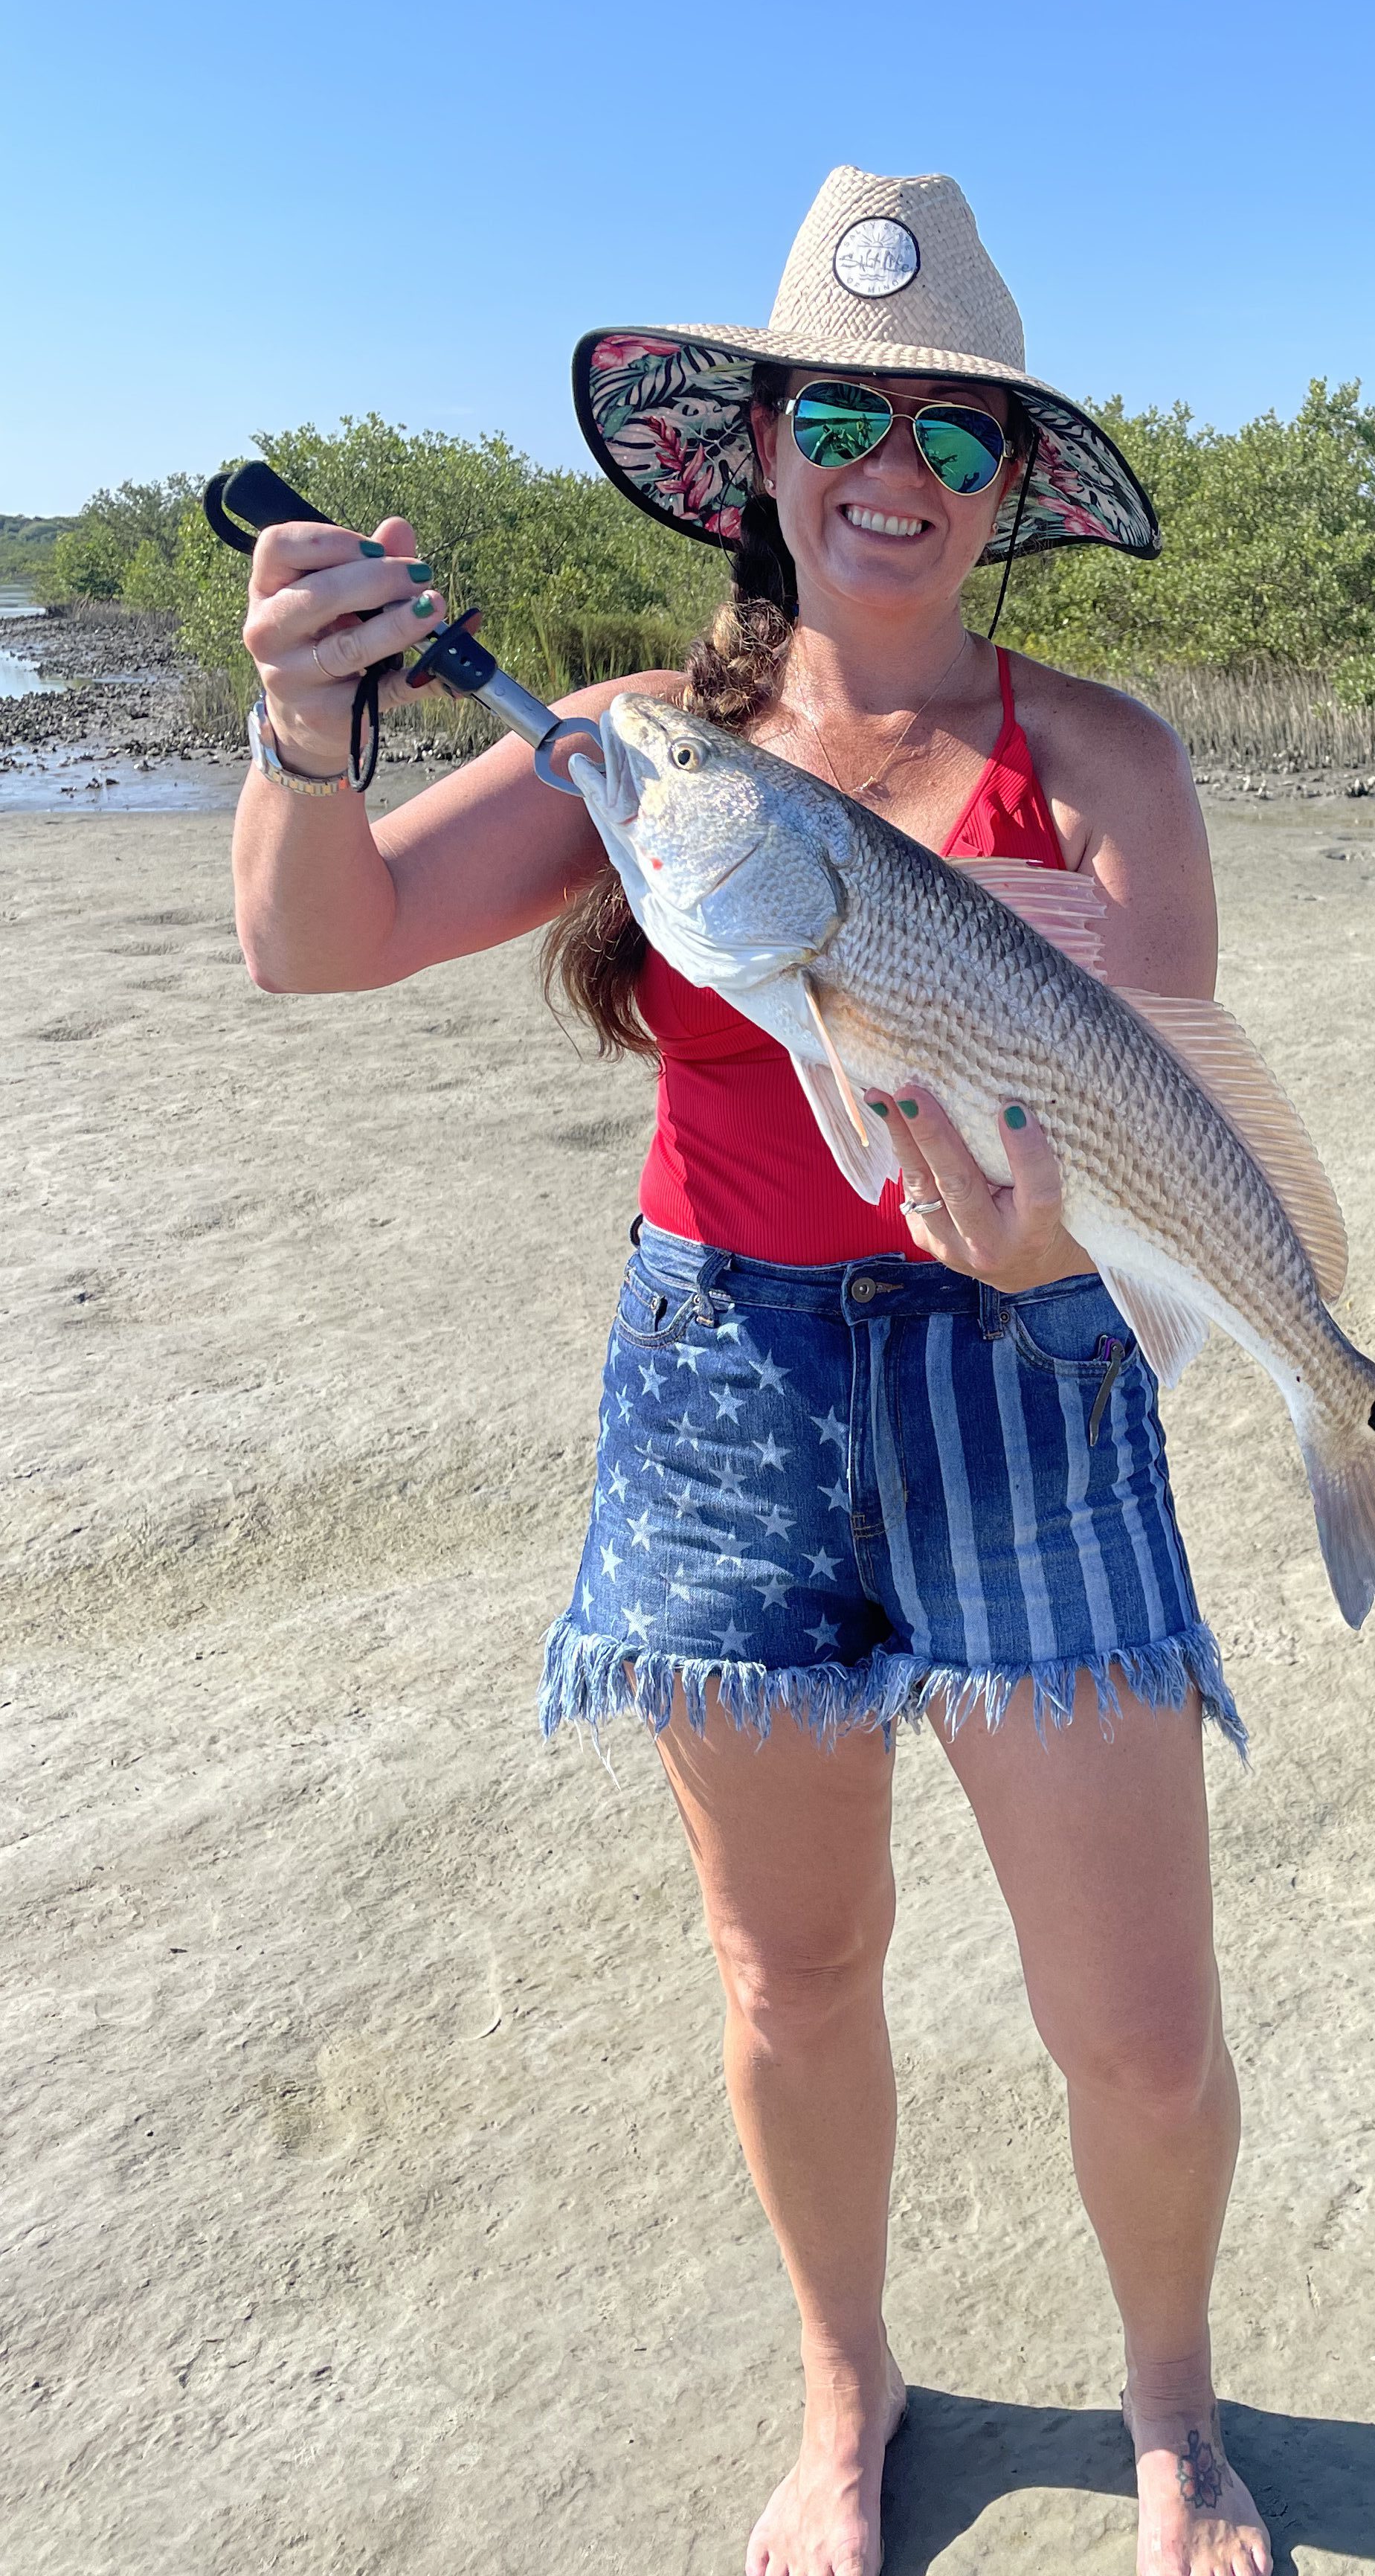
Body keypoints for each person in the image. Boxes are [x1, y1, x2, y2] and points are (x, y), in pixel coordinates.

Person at [232, 169, 1273, 2576]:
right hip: (726, 1388)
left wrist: (1049, 1269)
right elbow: (327, 939)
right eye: (837, 411)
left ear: (1014, 492)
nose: (891, 468)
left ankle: (1174, 2419)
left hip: (1034, 1379)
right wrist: (302, 719)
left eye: (958, 436)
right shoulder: (630, 749)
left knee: (1135, 2027)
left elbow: (1164, 1119)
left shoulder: (1105, 759)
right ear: (758, 457)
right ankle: (846, 2384)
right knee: (792, 1971)